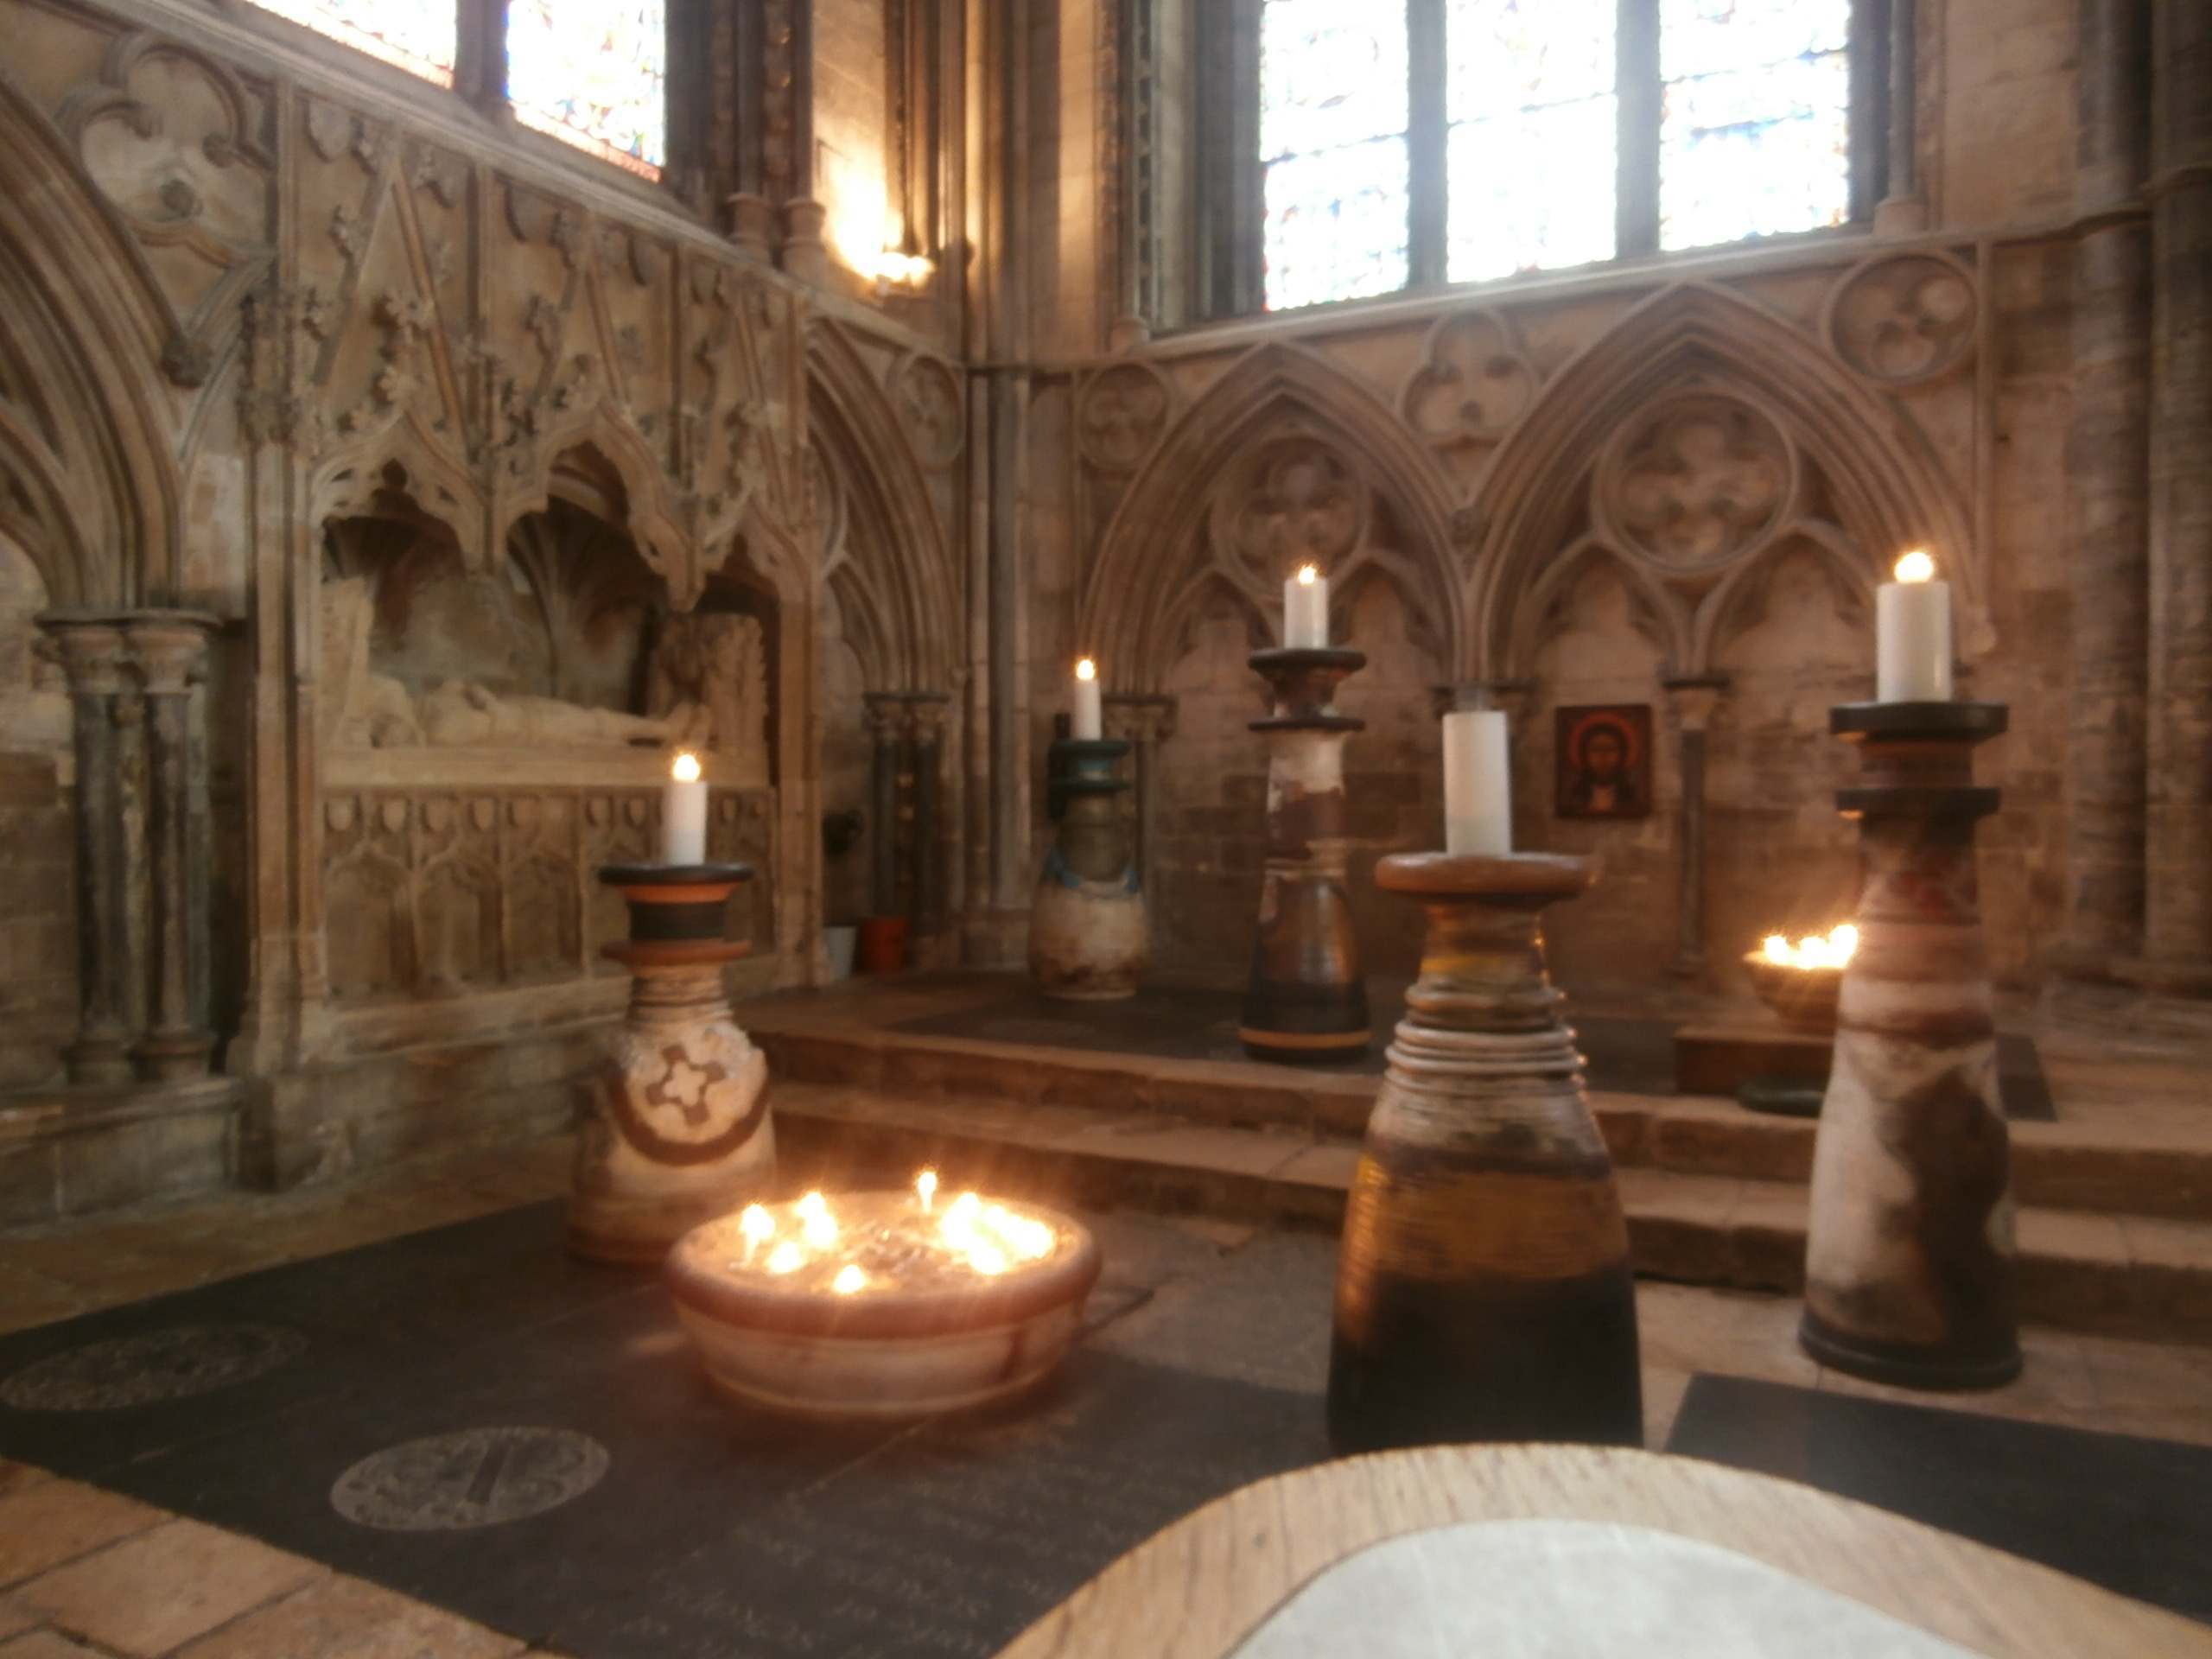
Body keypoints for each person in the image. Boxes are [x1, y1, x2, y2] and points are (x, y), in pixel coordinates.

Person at [1564, 719, 1640, 816]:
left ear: (1623, 755)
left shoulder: (1632, 800)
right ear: (1584, 756)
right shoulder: (1573, 800)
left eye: (1610, 749)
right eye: (1595, 750)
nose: (1603, 756)